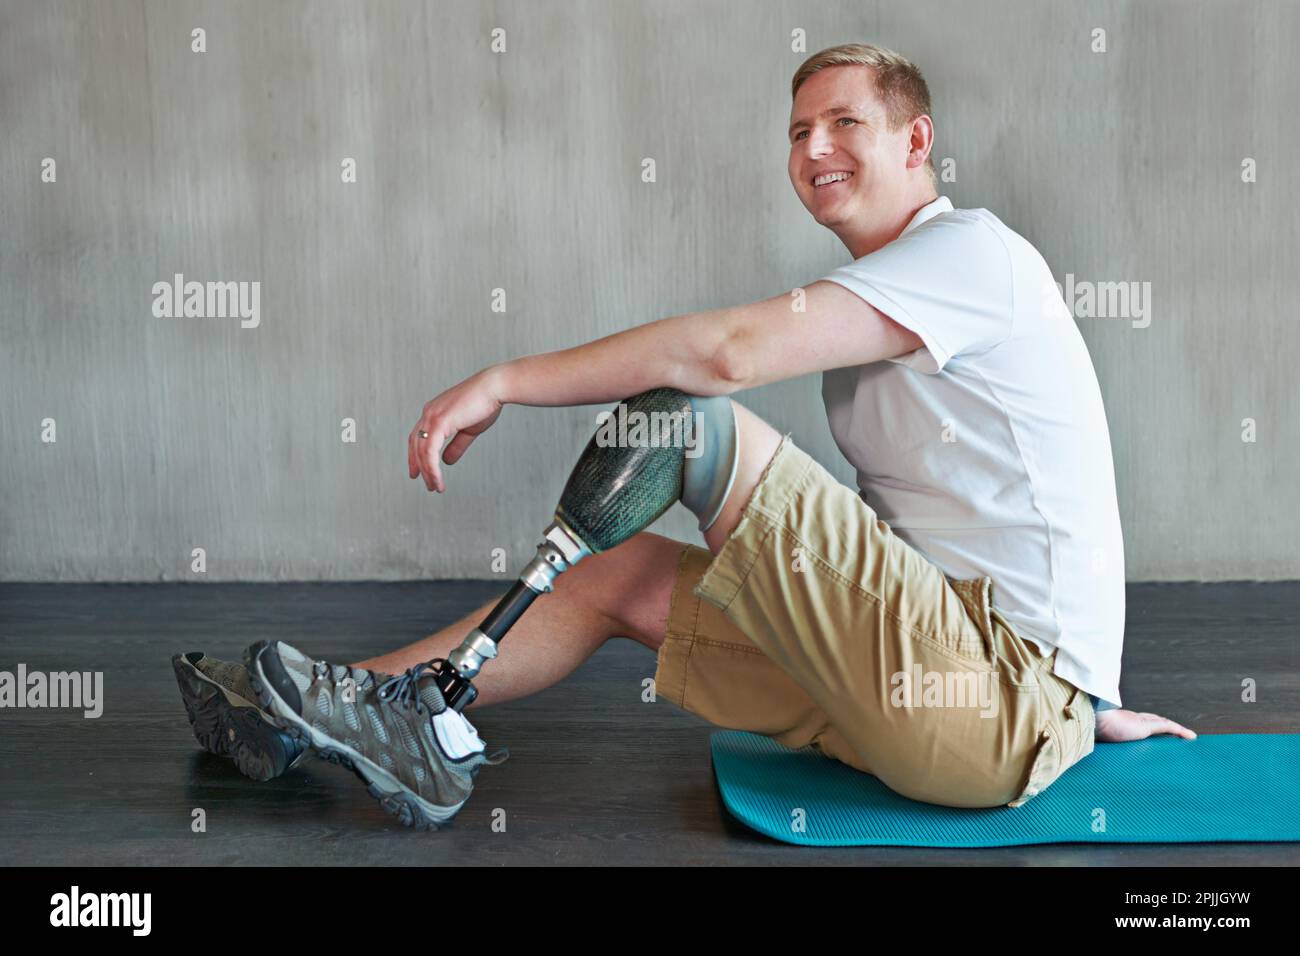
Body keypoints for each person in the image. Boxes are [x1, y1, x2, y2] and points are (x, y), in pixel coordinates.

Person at [174, 42, 1195, 830]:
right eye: (797, 132)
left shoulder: (972, 255)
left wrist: (505, 380)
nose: (813, 150)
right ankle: (340, 709)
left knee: (690, 419)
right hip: (940, 695)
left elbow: (725, 356)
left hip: (989, 700)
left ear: (916, 142)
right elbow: (1007, 518)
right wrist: (1087, 699)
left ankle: (398, 712)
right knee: (611, 576)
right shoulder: (888, 298)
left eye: (844, 123)